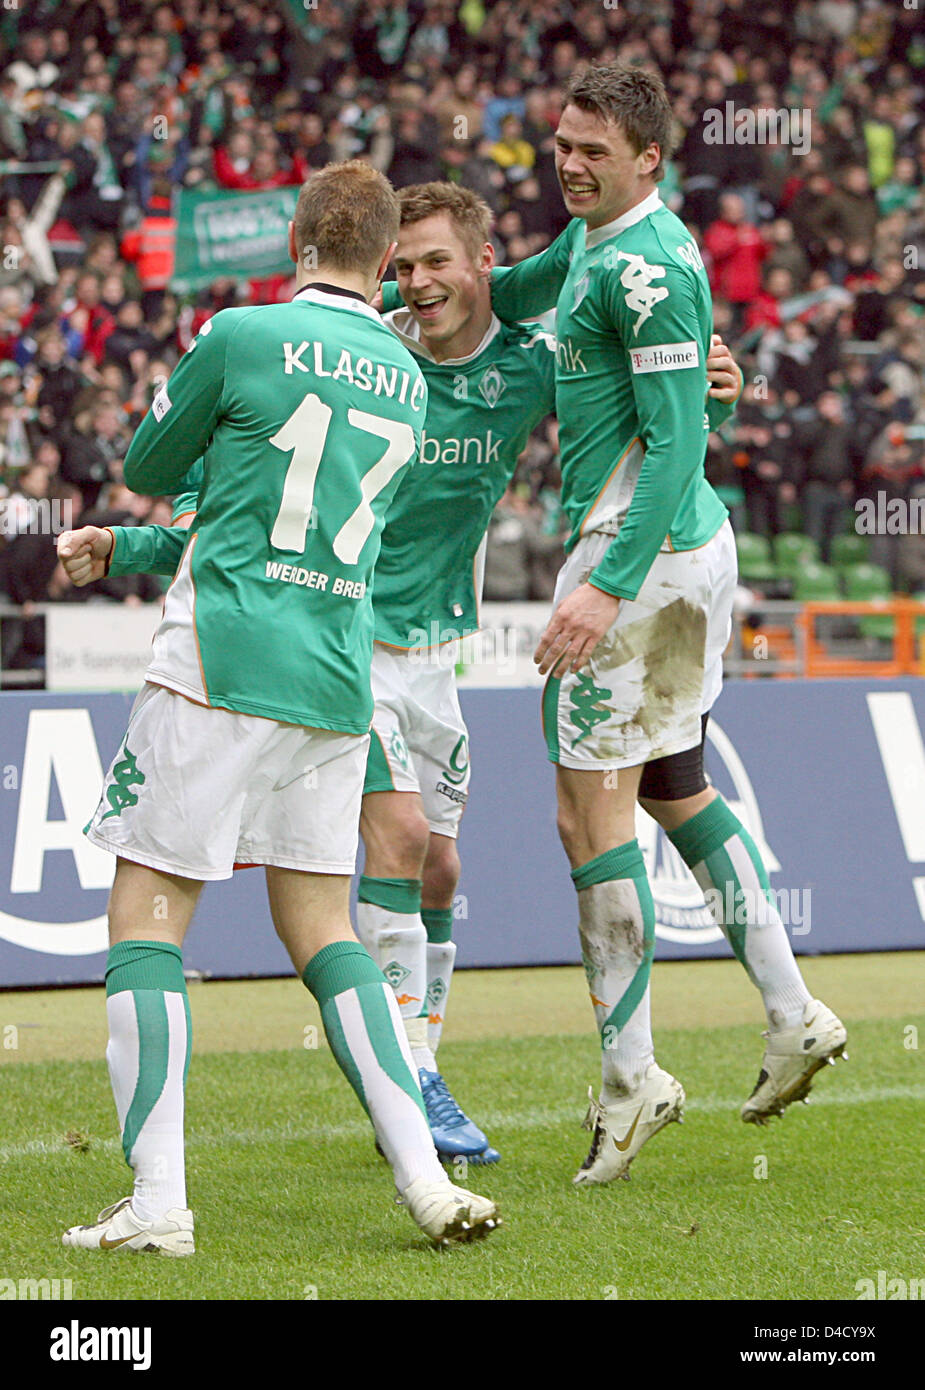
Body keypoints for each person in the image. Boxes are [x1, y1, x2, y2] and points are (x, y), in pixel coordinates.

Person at [58, 178, 744, 1173]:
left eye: (438, 263)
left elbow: (634, 404)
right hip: (348, 645)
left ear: (482, 270)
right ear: (383, 265)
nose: (419, 283)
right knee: (399, 834)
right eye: (405, 263)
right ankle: (413, 1077)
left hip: (436, 659)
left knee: (440, 867)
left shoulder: (529, 364)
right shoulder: (363, 357)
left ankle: (414, 1064)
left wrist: (708, 388)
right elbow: (229, 511)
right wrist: (127, 544)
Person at [55, 161, 500, 1253]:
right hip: (335, 678)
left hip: (219, 660)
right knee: (324, 928)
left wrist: (154, 499)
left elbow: (153, 461)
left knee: (148, 917)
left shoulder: (240, 335)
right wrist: (138, 542)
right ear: (385, 258)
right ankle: (425, 1180)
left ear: (297, 238)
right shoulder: (406, 372)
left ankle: (159, 1203)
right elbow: (266, 511)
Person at [485, 65, 847, 1184]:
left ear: (650, 159)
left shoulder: (644, 265)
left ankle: (631, 1080)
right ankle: (792, 1014)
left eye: (593, 150)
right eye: (561, 142)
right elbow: (517, 293)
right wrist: (410, 297)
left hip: (638, 557)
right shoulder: (598, 242)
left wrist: (602, 586)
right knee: (668, 785)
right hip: (673, 551)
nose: (569, 162)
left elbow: (679, 441)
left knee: (585, 819)